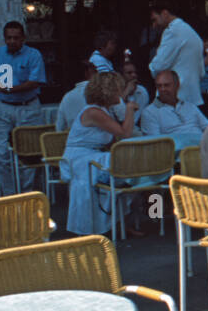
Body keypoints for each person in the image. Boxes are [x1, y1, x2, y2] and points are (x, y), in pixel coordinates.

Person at [60, 71, 147, 237]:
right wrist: (129, 109)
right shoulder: (94, 112)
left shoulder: (104, 111)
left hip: (93, 155)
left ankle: (118, 222)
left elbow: (112, 140)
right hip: (81, 158)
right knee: (126, 169)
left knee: (130, 169)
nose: (121, 94)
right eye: (119, 90)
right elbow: (124, 133)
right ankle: (120, 222)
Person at [0, 21, 47, 195]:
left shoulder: (34, 55)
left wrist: (9, 89)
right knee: (2, 155)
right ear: (4, 38)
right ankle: (9, 195)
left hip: (28, 107)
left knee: (29, 153)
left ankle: (26, 194)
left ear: (23, 38)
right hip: (2, 106)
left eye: (16, 38)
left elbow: (35, 82)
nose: (11, 41)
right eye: (8, 38)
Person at [148, 0, 205, 109]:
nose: (154, 26)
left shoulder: (172, 31)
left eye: (155, 20)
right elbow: (201, 72)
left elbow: (158, 66)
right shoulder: (191, 32)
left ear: (164, 13)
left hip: (175, 99)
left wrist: (152, 68)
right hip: (193, 97)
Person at [140, 69, 208, 149]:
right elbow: (156, 145)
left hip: (203, 149)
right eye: (159, 86)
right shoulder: (149, 112)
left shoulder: (190, 106)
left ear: (177, 85)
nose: (162, 89)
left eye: (166, 85)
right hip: (177, 155)